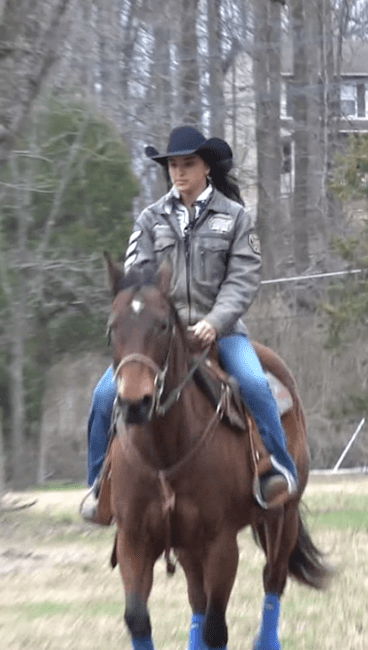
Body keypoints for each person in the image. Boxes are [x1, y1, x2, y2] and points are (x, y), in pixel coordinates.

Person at [81, 125, 298, 524]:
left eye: (187, 165)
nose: (178, 173)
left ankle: (277, 469)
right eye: (173, 166)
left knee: (253, 383)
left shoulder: (234, 219)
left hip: (222, 332)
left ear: (206, 169)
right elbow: (136, 279)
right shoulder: (150, 220)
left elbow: (243, 278)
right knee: (102, 397)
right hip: (159, 338)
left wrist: (215, 323)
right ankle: (99, 485)